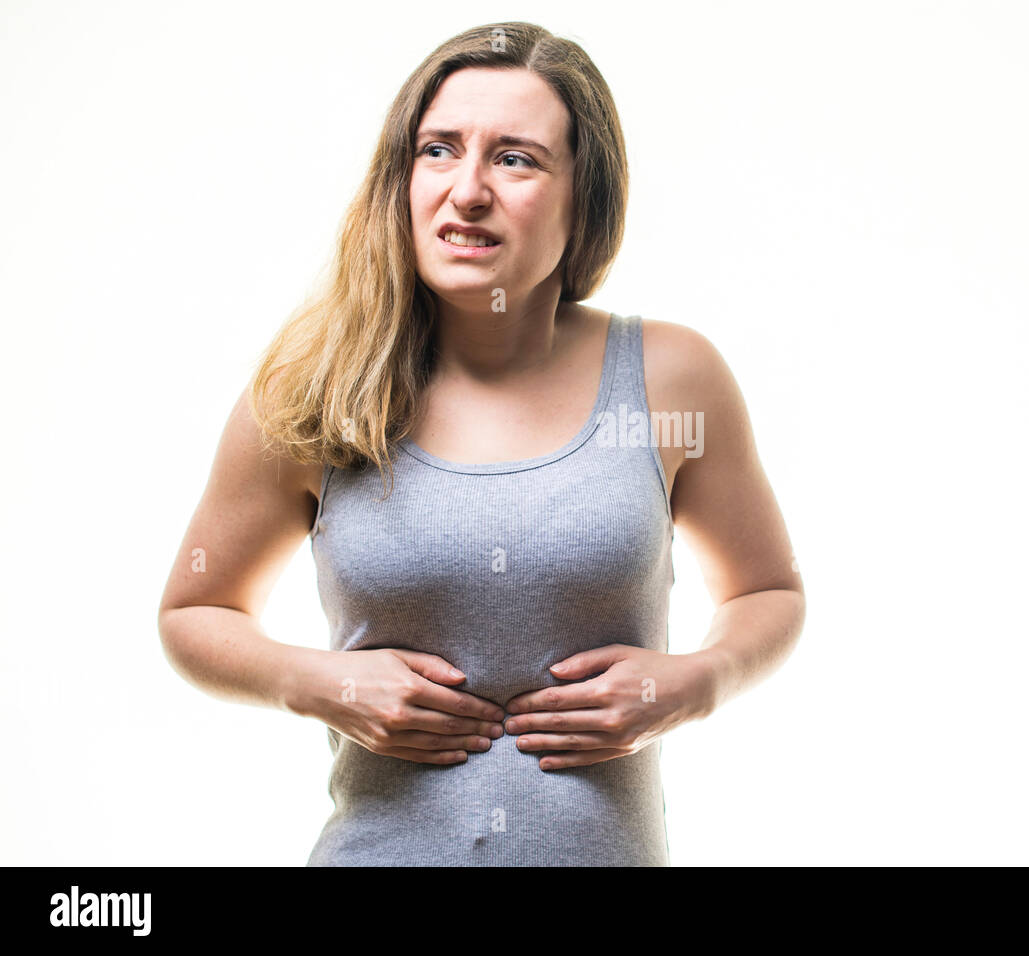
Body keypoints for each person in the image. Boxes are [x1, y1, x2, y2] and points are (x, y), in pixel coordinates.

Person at [157, 21, 805, 866]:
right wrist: (319, 684)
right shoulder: (315, 391)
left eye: (515, 158)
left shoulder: (670, 379)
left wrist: (699, 681)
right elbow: (194, 609)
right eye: (438, 150)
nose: (467, 190)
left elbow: (769, 591)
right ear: (402, 178)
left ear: (585, 196)